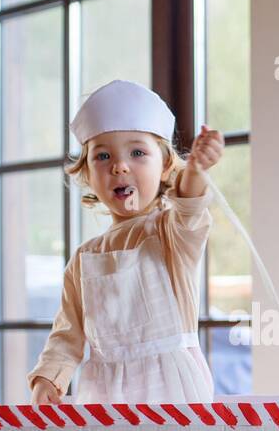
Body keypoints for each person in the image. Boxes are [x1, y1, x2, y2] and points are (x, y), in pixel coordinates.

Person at [28, 79, 224, 404]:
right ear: (88, 174)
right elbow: (67, 333)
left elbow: (190, 206)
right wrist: (48, 378)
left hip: (173, 393)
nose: (119, 166)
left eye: (137, 153)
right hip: (104, 396)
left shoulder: (171, 233)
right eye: (102, 156)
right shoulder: (83, 258)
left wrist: (197, 170)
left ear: (165, 167)